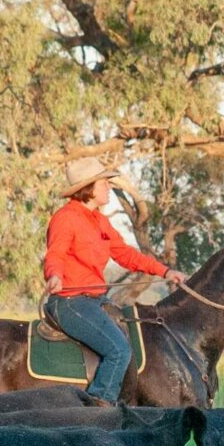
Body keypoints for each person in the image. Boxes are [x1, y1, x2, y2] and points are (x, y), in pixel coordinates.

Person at [42, 157, 187, 405]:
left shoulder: (100, 221)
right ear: (88, 188)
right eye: (104, 183)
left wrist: (165, 271)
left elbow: (125, 254)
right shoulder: (65, 218)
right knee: (119, 351)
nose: (109, 186)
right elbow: (55, 254)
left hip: (97, 300)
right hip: (70, 302)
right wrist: (54, 275)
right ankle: (99, 409)